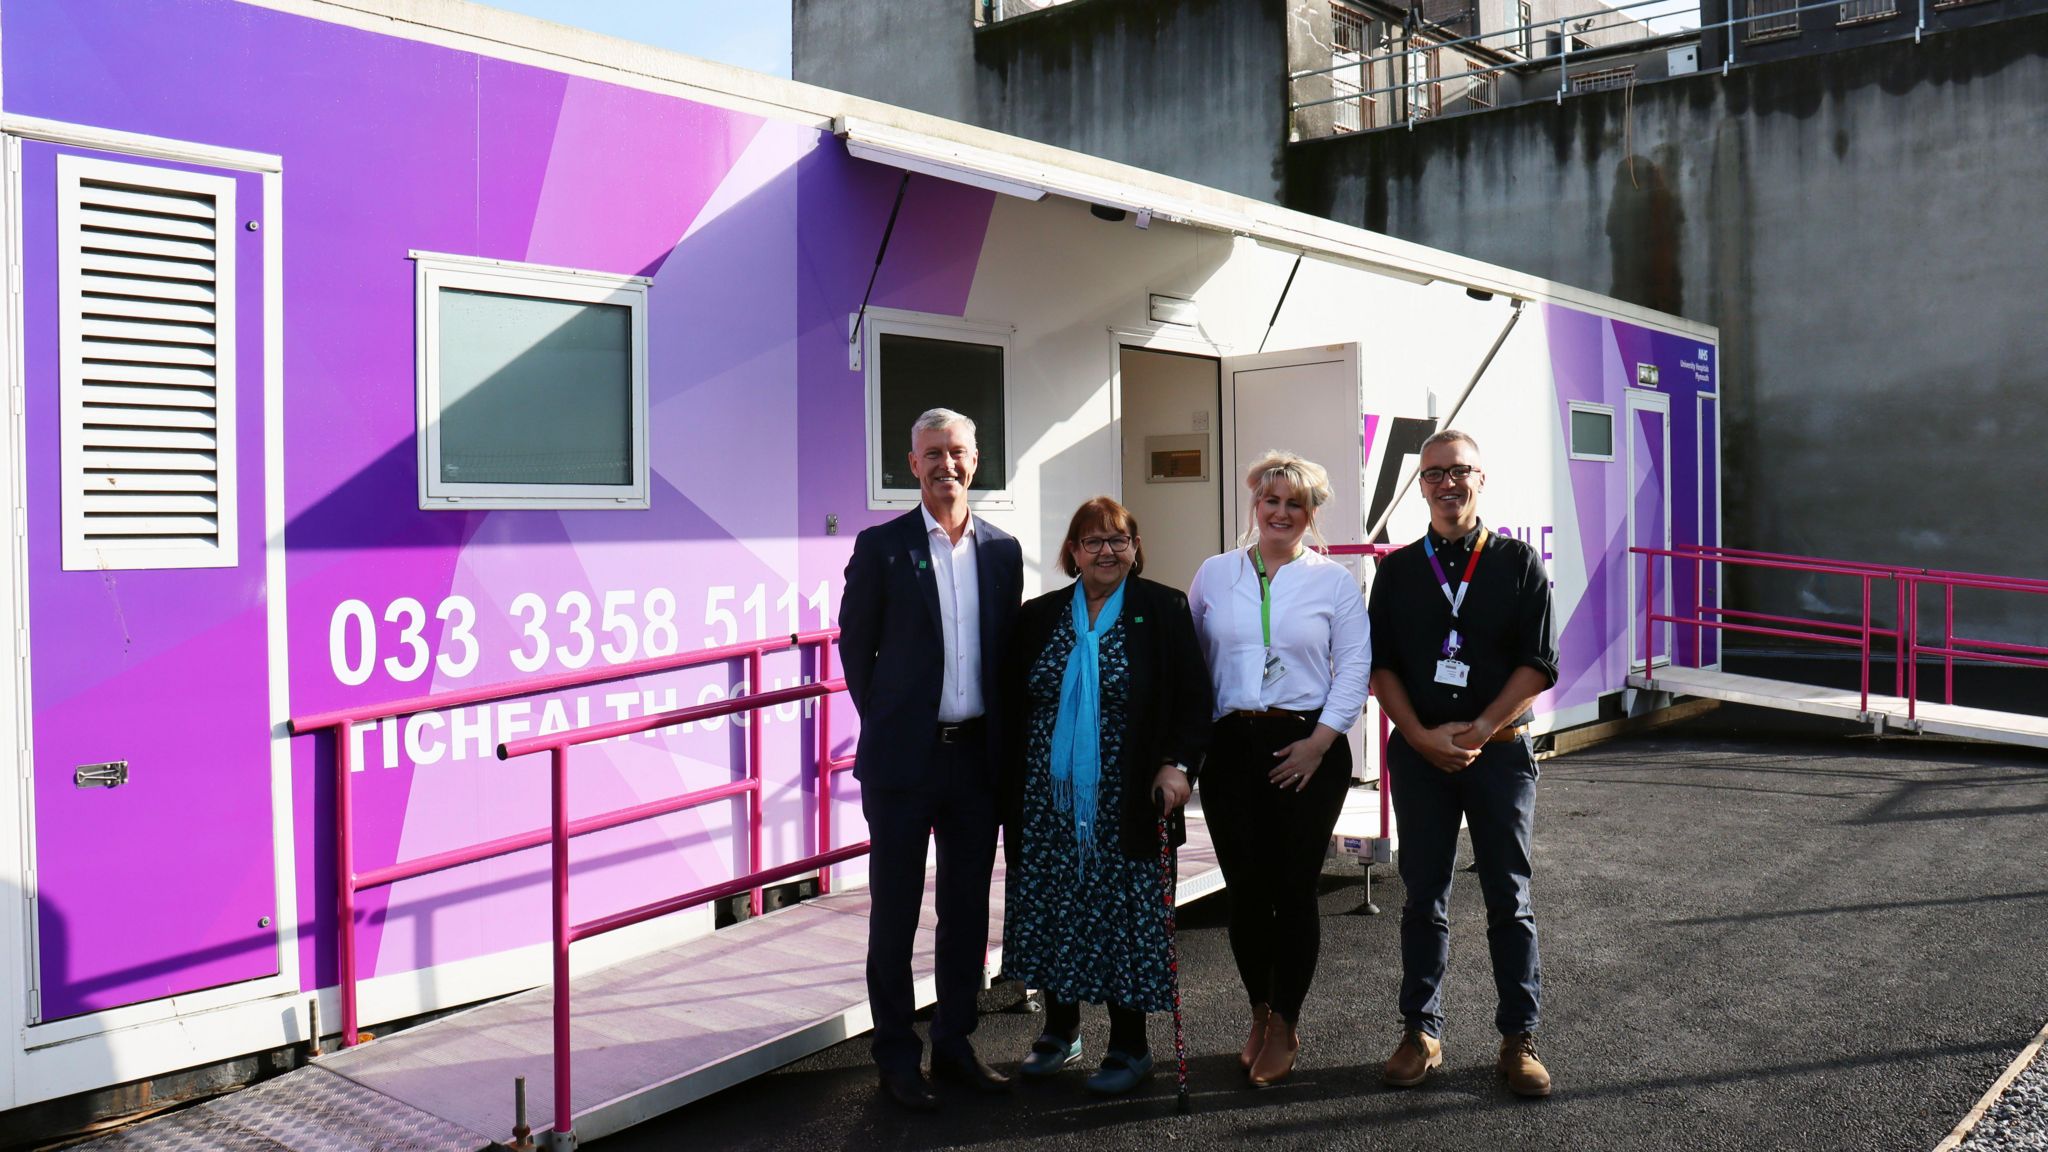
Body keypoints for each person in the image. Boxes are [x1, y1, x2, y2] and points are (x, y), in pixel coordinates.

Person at [839, 408, 1024, 1113]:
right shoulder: (881, 546)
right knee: (893, 910)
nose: (945, 464)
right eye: (931, 453)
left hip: (976, 761)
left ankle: (953, 1042)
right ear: (911, 465)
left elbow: (1004, 654)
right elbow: (857, 650)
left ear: (975, 461)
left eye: (957, 452)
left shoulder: (1003, 552)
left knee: (966, 912)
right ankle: (895, 1055)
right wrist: (894, 721)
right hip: (902, 765)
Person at [1367, 429, 1559, 1099]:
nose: (1448, 483)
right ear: (1420, 485)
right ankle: (1422, 1031)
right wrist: (1418, 735)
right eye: (1435, 473)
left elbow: (1539, 664)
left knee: (1509, 896)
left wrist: (1481, 727)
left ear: (1482, 479)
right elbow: (1381, 665)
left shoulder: (1516, 562)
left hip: (1499, 754)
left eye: (1461, 471)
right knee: (1424, 897)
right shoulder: (1396, 569)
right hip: (1420, 756)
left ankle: (1518, 1038)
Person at [1000, 498, 1211, 1096]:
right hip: (1048, 801)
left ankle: (1130, 1046)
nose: (1107, 551)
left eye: (1119, 540)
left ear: (1135, 548)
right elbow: (1016, 704)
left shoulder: (1161, 608)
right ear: (1072, 553)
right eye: (1092, 541)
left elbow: (1193, 700)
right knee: (1054, 908)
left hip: (1130, 799)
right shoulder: (1038, 617)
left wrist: (1179, 766)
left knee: (1123, 917)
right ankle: (1059, 1032)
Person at [1187, 451, 1371, 1088]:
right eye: (1271, 501)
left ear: (1312, 514)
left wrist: (1319, 742)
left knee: (1293, 891)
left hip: (1307, 748)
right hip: (1233, 748)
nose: (1282, 512)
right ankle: (1258, 1013)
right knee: (1245, 891)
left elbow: (1352, 670)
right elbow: (1193, 664)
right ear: (1254, 506)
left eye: (1296, 504)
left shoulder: (1335, 582)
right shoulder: (1214, 574)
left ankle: (1287, 1020)